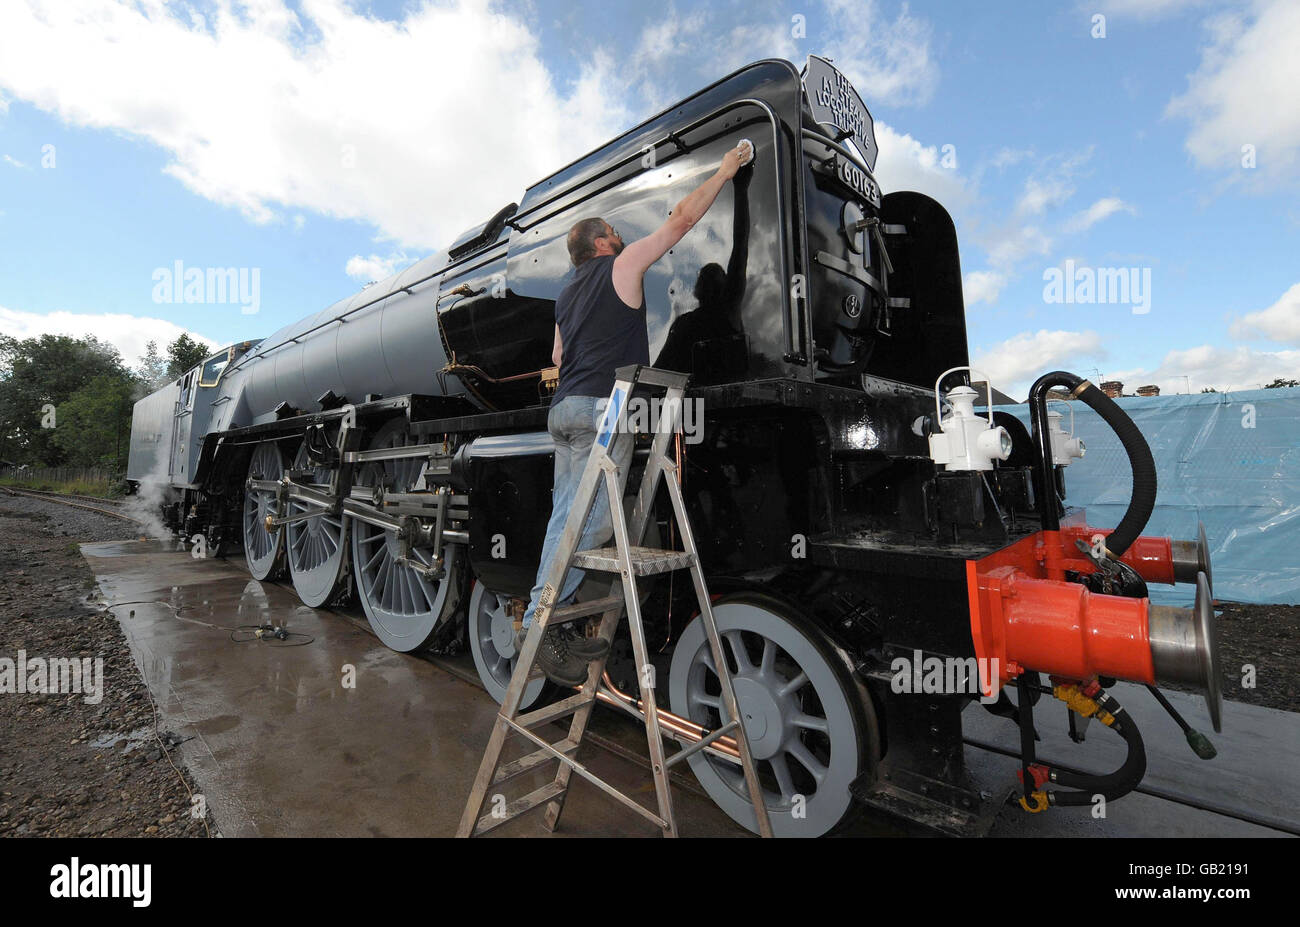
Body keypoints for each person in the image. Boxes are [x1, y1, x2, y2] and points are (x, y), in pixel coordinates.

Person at [519, 139, 755, 686]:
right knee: (594, 522)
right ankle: (540, 623)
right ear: (601, 243)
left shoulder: (564, 294)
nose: (620, 237)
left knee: (565, 518)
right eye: (613, 233)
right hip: (604, 410)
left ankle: (546, 620)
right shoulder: (621, 265)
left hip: (565, 410)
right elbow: (679, 222)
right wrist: (724, 171)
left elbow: (557, 357)